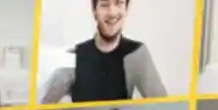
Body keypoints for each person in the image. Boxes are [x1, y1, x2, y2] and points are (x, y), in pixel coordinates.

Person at [39, 0, 168, 104]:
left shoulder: (136, 54)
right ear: (95, 11)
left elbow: (164, 108)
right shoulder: (75, 56)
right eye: (105, 4)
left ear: (126, 9)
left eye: (119, 3)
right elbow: (41, 109)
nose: (112, 12)